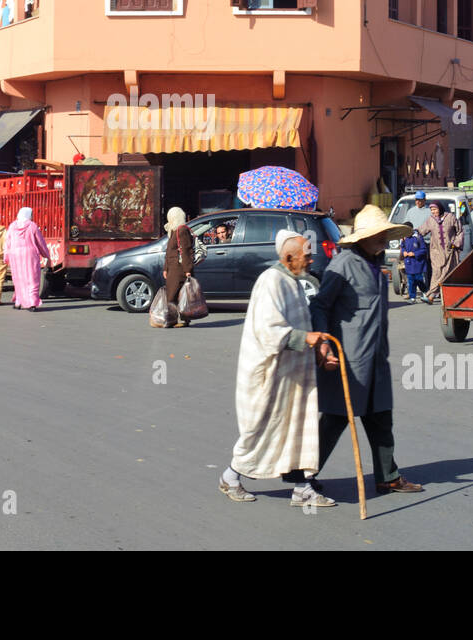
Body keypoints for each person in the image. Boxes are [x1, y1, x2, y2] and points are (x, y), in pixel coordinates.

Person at [311, 206, 424, 498]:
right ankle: (304, 476)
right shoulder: (342, 265)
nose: (384, 239)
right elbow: (320, 305)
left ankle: (388, 476)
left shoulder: (377, 264)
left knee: (381, 418)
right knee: (335, 420)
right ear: (363, 238)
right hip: (348, 358)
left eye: (385, 233)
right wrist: (323, 345)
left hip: (376, 358)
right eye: (379, 234)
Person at [219, 230, 338, 508]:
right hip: (270, 374)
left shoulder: (294, 280)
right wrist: (304, 338)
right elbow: (268, 329)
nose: (311, 260)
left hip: (292, 374)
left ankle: (302, 488)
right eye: (306, 255)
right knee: (261, 431)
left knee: (295, 430)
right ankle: (230, 476)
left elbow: (302, 320)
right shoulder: (271, 282)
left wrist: (319, 348)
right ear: (289, 257)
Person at [4, 207, 50, 311]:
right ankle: (32, 303)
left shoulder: (12, 226)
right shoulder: (32, 226)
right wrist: (46, 254)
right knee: (32, 279)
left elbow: (7, 243)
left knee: (19, 279)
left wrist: (6, 257)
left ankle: (18, 302)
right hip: (30, 255)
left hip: (15, 255)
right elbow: (40, 242)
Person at [419, 199, 462, 303]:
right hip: (436, 252)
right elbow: (422, 230)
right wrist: (410, 233)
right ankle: (431, 295)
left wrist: (456, 243)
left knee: (448, 274)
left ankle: (436, 296)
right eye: (432, 210)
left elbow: (459, 231)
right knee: (437, 273)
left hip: (450, 251)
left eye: (435, 209)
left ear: (440, 208)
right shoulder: (431, 220)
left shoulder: (450, 217)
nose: (433, 212)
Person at [161, 206, 195, 327]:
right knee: (173, 294)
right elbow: (169, 251)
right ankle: (175, 319)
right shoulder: (173, 230)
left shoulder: (182, 230)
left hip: (179, 269)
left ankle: (179, 319)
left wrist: (187, 270)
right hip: (173, 268)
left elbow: (186, 251)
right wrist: (165, 268)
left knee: (176, 294)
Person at [399, 228, 431, 304]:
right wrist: (404, 252)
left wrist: (414, 254)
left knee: (418, 279)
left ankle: (426, 293)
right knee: (410, 280)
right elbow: (402, 247)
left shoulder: (418, 237)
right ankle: (412, 298)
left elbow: (423, 250)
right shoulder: (404, 238)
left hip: (418, 263)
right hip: (408, 263)